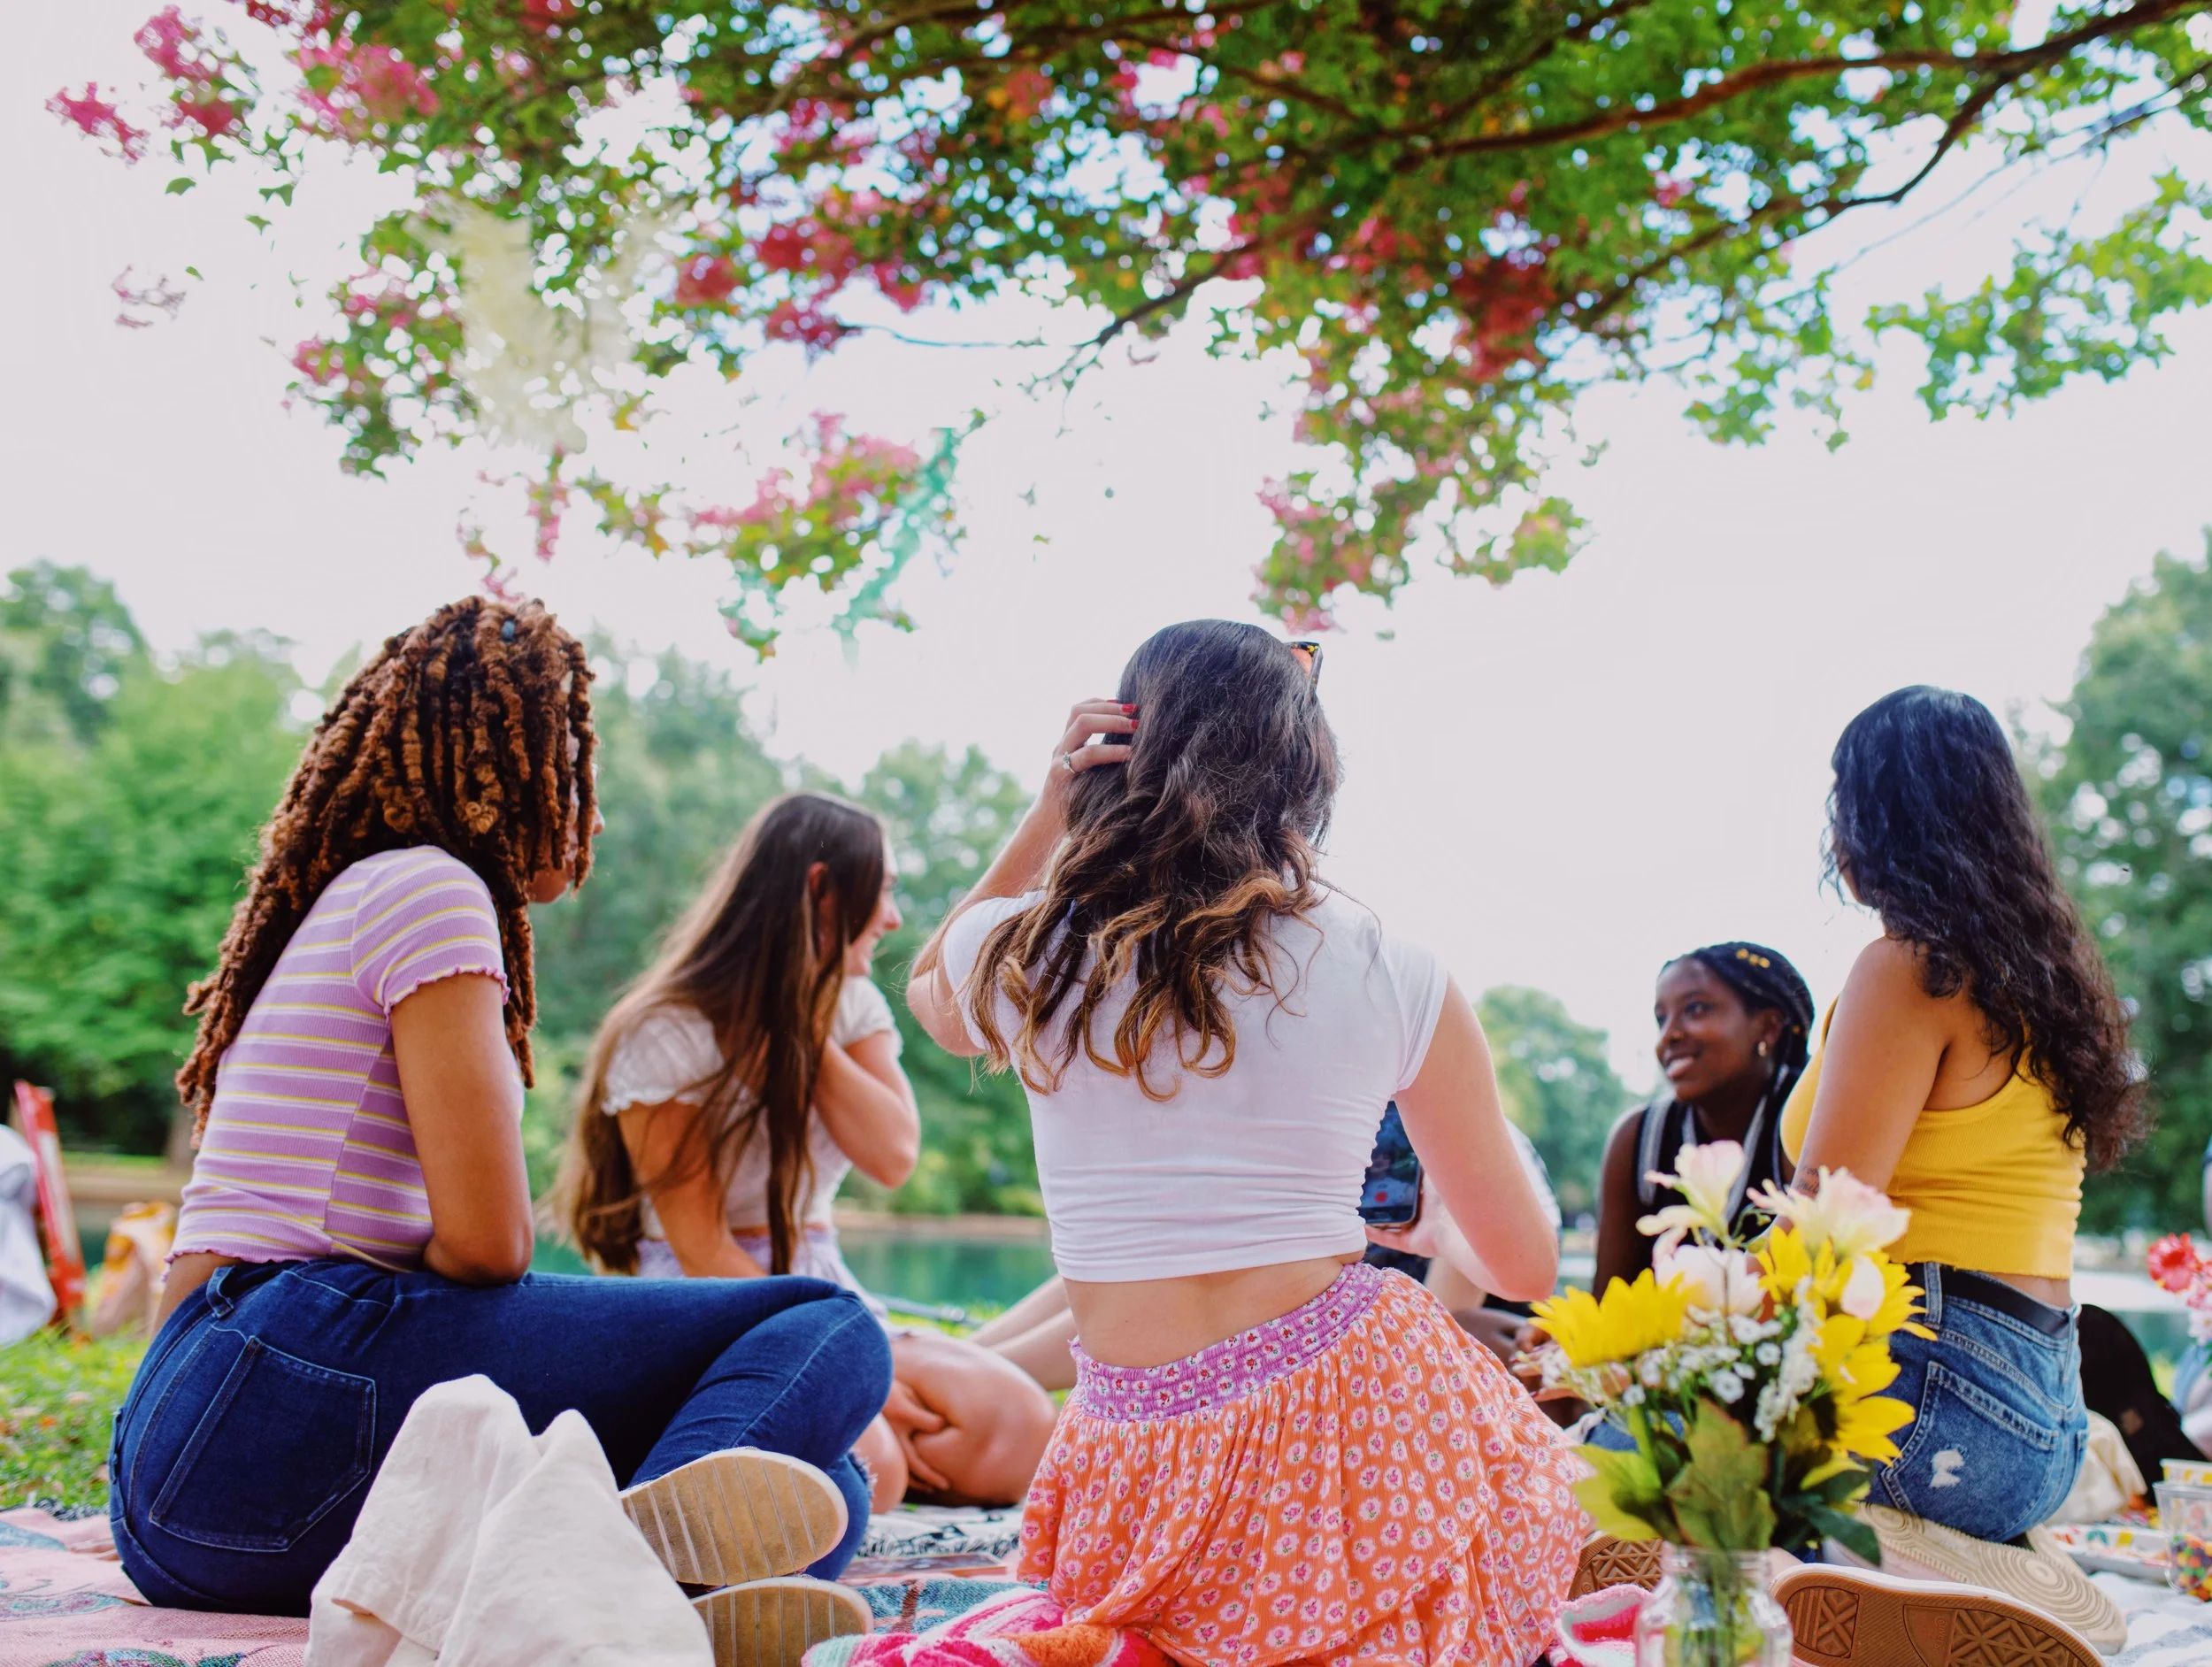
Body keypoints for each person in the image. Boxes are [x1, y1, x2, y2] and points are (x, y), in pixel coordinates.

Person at [108, 599, 891, 1639]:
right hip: (286, 1374)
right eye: (573, 766)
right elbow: (489, 1246)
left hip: (181, 1499)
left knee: (826, 1486)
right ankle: (601, 1586)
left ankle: (634, 1589)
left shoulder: (350, 895)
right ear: (499, 763)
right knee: (829, 1327)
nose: (593, 817)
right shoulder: (431, 889)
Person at [907, 621, 1586, 1667]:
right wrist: (1443, 1209)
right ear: (1309, 771)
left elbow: (932, 1001)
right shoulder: (1393, 967)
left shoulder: (1025, 949)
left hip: (1132, 1446)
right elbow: (1526, 1268)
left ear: (1116, 752)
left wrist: (1048, 812)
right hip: (1354, 1440)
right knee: (1524, 1516)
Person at [1772, 686, 2142, 1657]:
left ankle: (1873, 1560)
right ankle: (1949, 1568)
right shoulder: (2048, 985)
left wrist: (1687, 1354)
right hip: (2043, 1427)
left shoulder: (1907, 969)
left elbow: (1824, 1221)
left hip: (1932, 1403)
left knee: (1622, 1470)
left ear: (1872, 818)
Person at [560, 790, 1060, 1510]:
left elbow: (892, 1158)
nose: (892, 918)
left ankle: (829, 1453)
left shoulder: (851, 1005)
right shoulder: (667, 1031)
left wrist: (795, 1026)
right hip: (715, 1297)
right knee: (874, 1467)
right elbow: (700, 1247)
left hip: (822, 1280)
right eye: (882, 892)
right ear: (822, 890)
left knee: (1018, 1431)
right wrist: (846, 1361)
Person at [1593, 942, 1814, 1293]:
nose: (1669, 1035)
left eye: (1696, 1009)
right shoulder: (1638, 1138)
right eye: (1661, 1019)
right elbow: (1611, 1300)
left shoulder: (1805, 1119)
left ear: (1769, 1028)